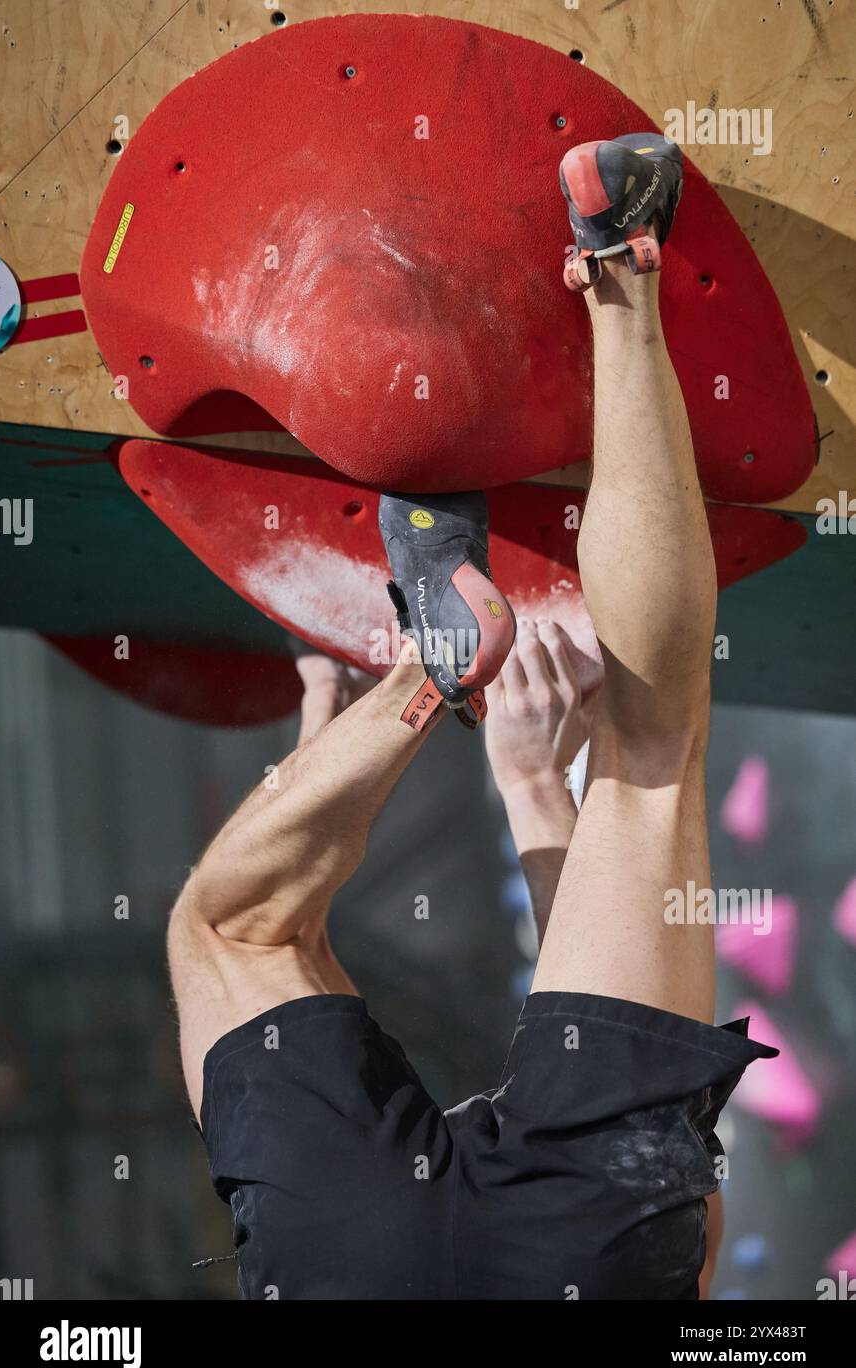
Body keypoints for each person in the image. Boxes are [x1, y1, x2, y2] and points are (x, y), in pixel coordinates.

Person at [168, 134, 776, 1300]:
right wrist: (491, 783)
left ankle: (616, 247)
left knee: (647, 756)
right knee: (238, 930)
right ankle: (434, 663)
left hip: (582, 1268)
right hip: (347, 1269)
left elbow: (682, 1213)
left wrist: (550, 793)